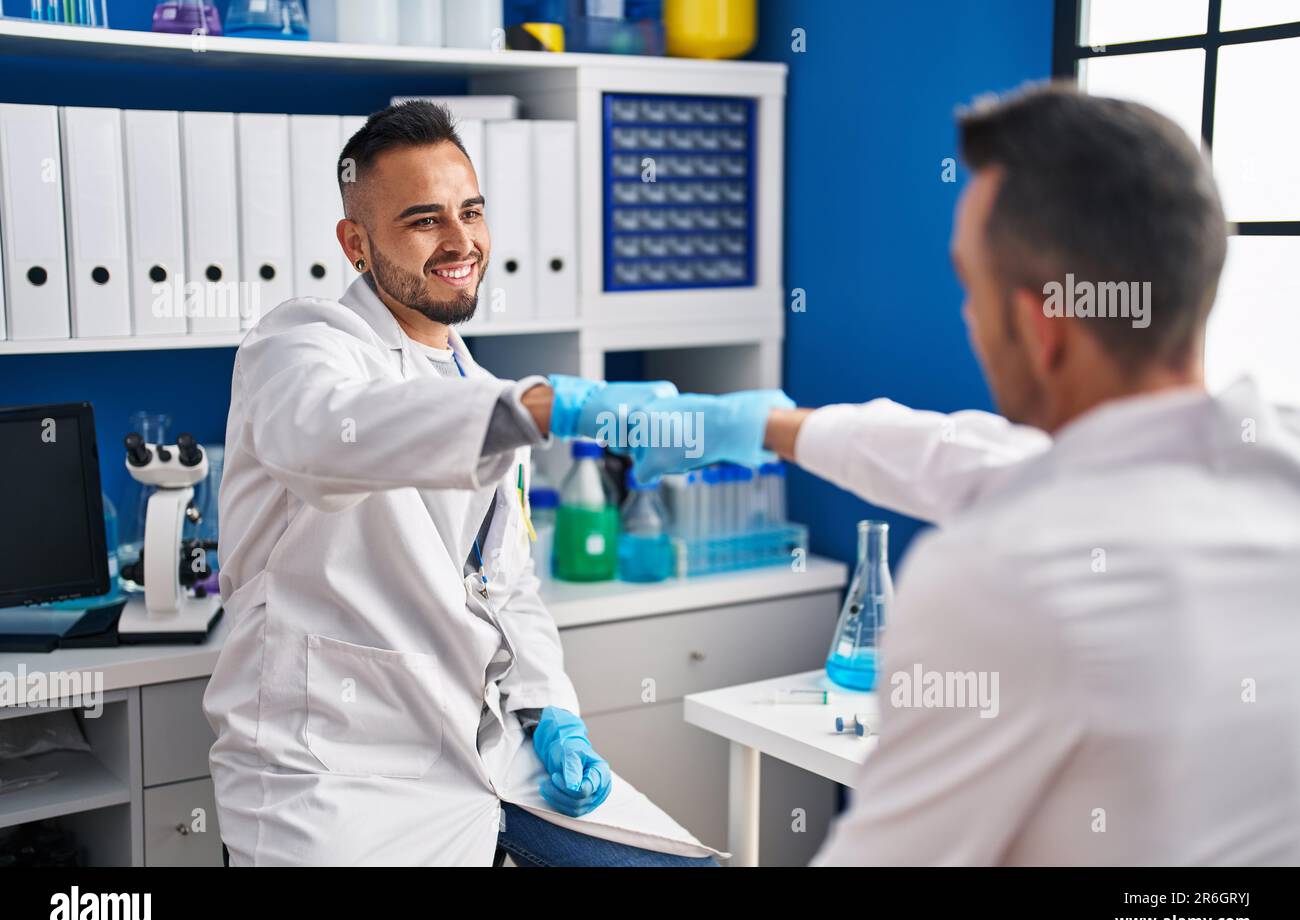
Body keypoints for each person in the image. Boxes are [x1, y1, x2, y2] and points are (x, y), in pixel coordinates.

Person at [630, 84, 1300, 864]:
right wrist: (759, 426)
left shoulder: (1001, 581)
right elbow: (974, 459)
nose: (966, 317)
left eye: (970, 288)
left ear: (1041, 329)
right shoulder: (1265, 463)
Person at [203, 101, 721, 866]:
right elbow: (326, 435)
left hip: (489, 755)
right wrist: (548, 408)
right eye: (423, 221)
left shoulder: (474, 381)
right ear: (356, 244)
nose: (460, 242)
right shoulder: (299, 347)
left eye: (470, 212)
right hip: (333, 784)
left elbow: (505, 588)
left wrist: (551, 708)